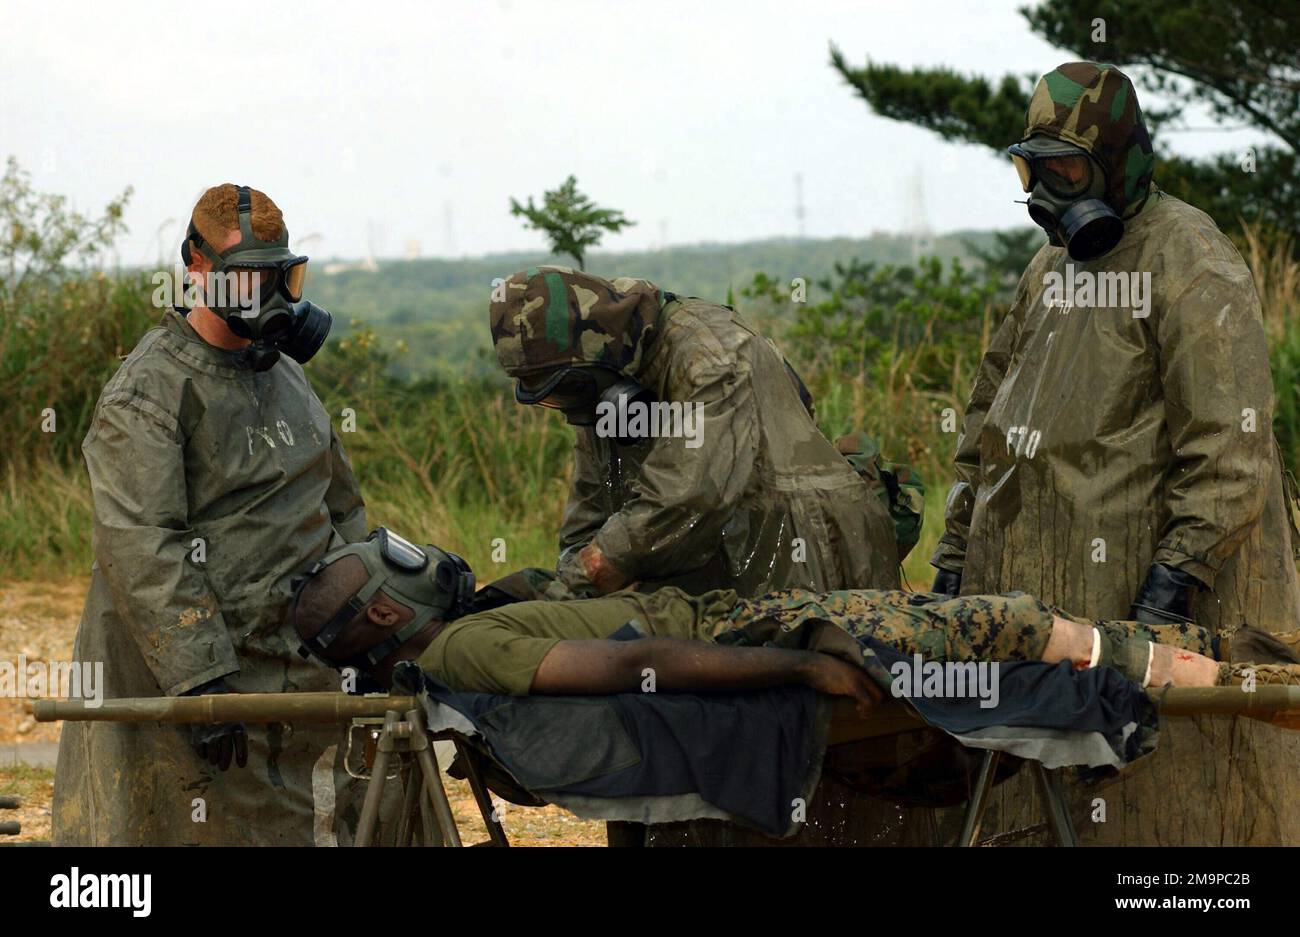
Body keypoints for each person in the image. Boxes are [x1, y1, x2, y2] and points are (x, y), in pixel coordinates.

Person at [930, 62, 1300, 844]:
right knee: (1032, 813)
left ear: (1118, 163)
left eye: (1066, 172)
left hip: (1145, 608)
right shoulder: (1047, 271)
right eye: (1032, 171)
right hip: (1038, 615)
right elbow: (985, 429)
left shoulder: (1190, 260)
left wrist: (1165, 599)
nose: (1047, 193)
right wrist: (954, 564)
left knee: (1163, 821)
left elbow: (1228, 452)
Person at [52, 184, 374, 846]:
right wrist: (199, 679)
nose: (269, 296)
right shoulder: (148, 393)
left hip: (297, 662)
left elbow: (341, 508)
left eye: (281, 277)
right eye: (248, 277)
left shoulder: (286, 375)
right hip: (210, 674)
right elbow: (143, 544)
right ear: (196, 267)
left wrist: (373, 614)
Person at [290, 528, 1225, 704]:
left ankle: (1219, 657)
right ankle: (1226, 679)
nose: (425, 555)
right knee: (1003, 623)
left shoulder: (473, 623)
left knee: (992, 619)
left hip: (744, 616)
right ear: (388, 607)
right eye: (400, 561)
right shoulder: (463, 647)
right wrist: (802, 665)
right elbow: (632, 664)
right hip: (752, 636)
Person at [490, 266, 900, 599]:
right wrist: (572, 577)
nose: (566, 407)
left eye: (566, 391)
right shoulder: (599, 384)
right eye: (548, 399)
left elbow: (689, 495)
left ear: (598, 351)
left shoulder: (712, 355)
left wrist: (591, 572)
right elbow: (589, 510)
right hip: (723, 554)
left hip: (805, 552)